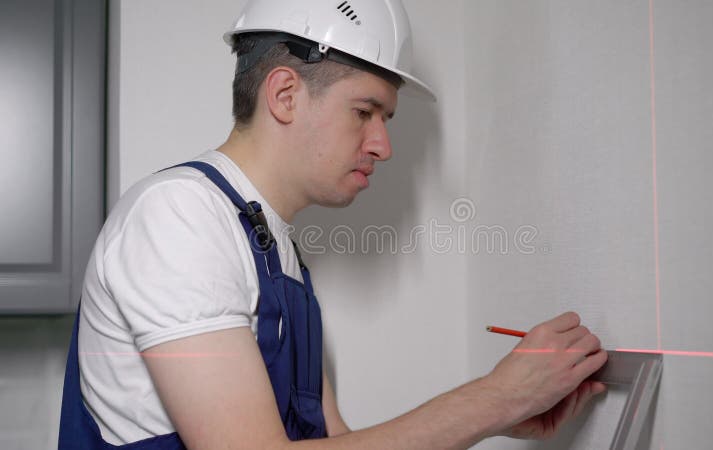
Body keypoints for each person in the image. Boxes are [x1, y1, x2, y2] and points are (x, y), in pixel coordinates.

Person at [58, 0, 608, 448]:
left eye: (385, 119)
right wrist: (498, 397)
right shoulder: (177, 216)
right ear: (285, 95)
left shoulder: (280, 253)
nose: (383, 146)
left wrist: (501, 416)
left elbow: (334, 439)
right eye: (364, 112)